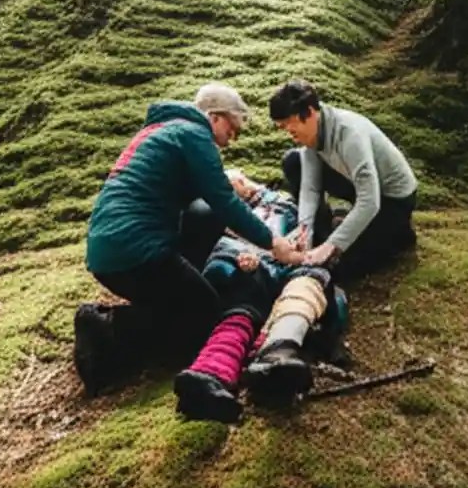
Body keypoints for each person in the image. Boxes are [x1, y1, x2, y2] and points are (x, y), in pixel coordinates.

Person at [76, 85, 299, 396]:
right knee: (204, 318)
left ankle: (162, 302)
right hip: (136, 252)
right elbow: (224, 203)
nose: (230, 140)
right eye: (231, 130)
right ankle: (107, 328)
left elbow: (199, 202)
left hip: (111, 247)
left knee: (200, 227)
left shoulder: (164, 131)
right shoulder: (195, 135)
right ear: (215, 117)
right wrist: (274, 244)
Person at [174, 171, 345, 422]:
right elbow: (227, 231)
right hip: (246, 261)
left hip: (291, 264)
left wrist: (301, 253)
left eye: (233, 182)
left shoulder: (293, 203)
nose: (230, 187)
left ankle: (278, 353)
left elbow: (314, 239)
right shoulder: (230, 211)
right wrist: (245, 250)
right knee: (242, 299)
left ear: (243, 180)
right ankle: (210, 375)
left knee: (308, 281)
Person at [269, 80, 418, 284]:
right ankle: (323, 234)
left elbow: (370, 200)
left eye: (290, 124)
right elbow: (310, 187)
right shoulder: (312, 134)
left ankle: (397, 232)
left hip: (391, 198)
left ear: (310, 112)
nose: (288, 131)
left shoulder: (349, 134)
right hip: (354, 183)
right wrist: (305, 230)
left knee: (341, 267)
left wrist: (333, 245)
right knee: (293, 161)